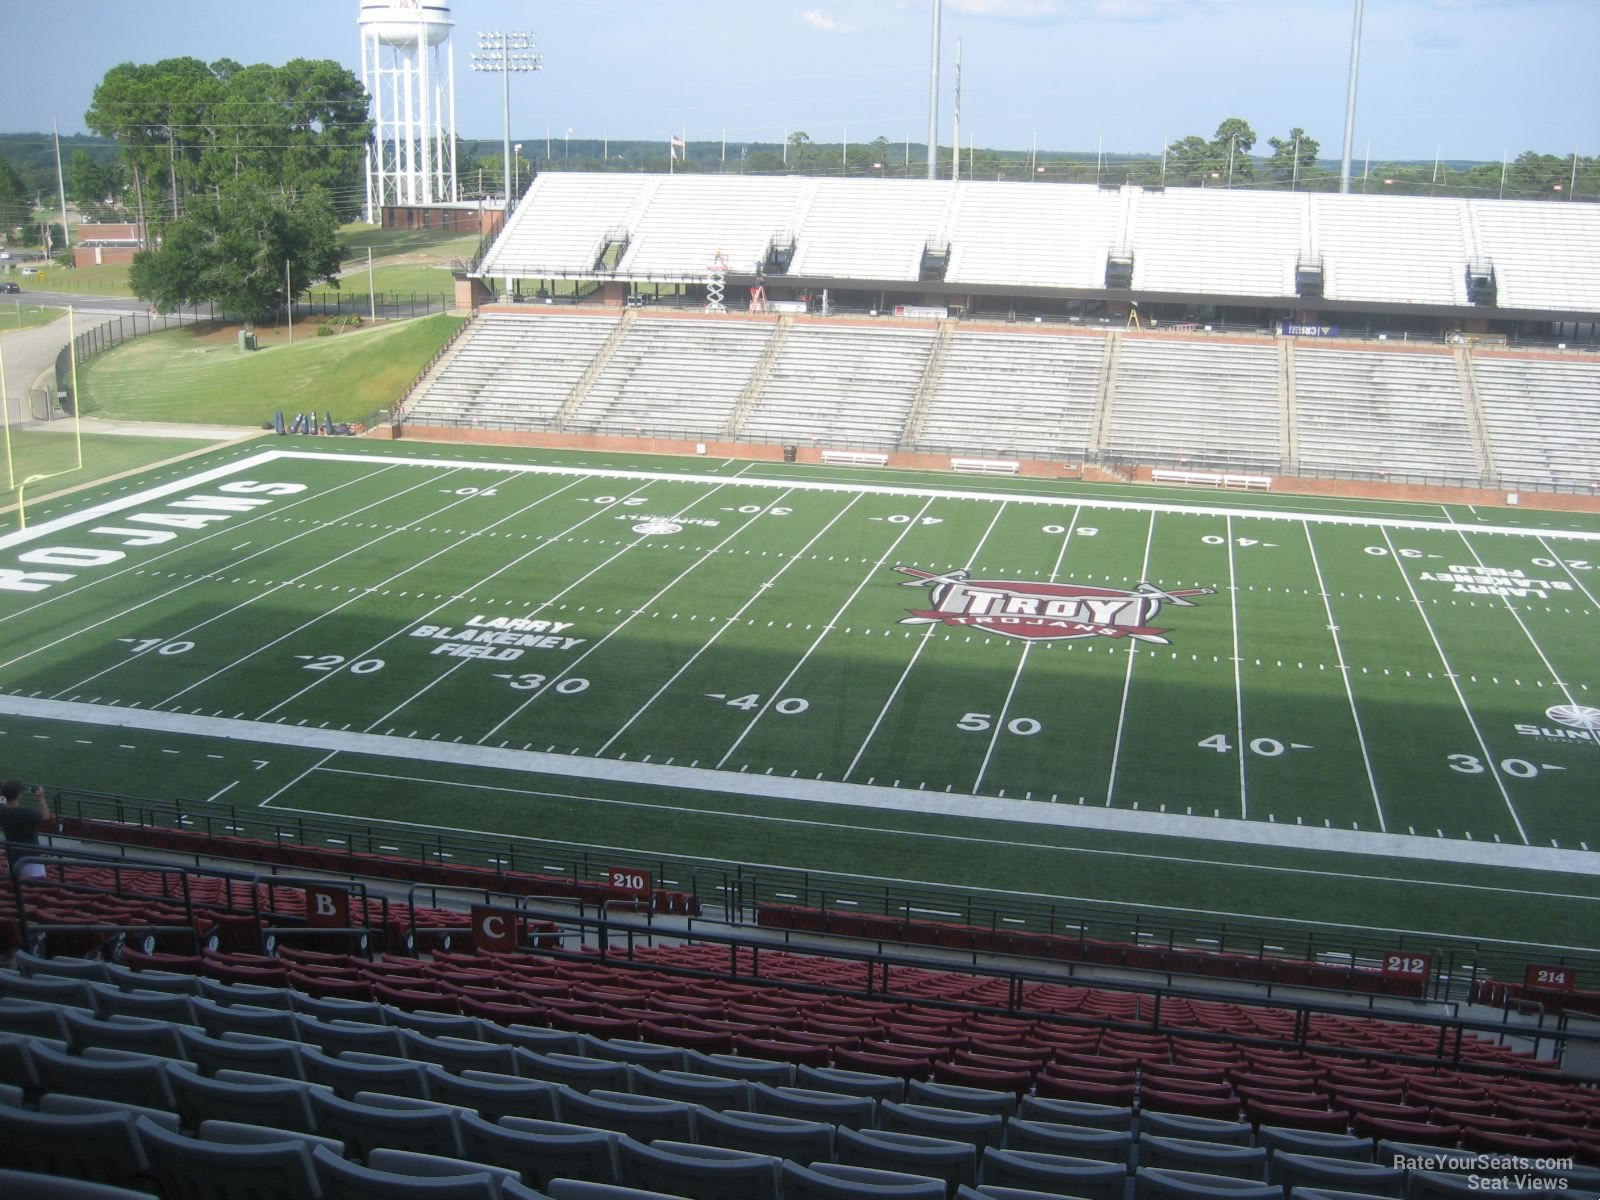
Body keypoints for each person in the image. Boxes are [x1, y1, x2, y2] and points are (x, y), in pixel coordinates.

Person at [0, 779, 51, 880]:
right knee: (38, 888)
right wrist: (41, 798)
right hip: (31, 857)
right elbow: (46, 816)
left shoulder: (1, 812)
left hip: (12, 857)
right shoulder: (29, 813)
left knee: (16, 886)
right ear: (19, 795)